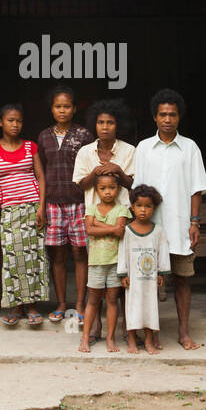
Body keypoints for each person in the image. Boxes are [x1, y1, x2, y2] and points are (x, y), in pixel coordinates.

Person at [132, 89, 206, 351]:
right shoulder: (144, 148)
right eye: (163, 114)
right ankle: (151, 334)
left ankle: (184, 333)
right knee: (147, 280)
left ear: (179, 117)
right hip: (149, 228)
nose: (168, 119)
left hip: (179, 227)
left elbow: (196, 189)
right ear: (155, 117)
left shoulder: (189, 148)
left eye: (172, 115)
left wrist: (195, 222)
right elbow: (138, 189)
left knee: (182, 279)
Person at [72, 99, 136, 342]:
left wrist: (118, 171)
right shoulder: (85, 152)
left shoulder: (129, 151)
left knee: (120, 275)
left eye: (110, 122)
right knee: (96, 275)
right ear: (94, 125)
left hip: (122, 217)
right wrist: (95, 172)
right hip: (94, 217)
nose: (105, 126)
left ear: (118, 124)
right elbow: (81, 184)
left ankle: (123, 327)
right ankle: (96, 323)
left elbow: (134, 184)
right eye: (101, 122)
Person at [0, 103, 48, 327]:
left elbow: (41, 177)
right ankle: (16, 305)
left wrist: (41, 207)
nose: (15, 124)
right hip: (9, 213)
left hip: (32, 209)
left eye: (19, 121)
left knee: (33, 259)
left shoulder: (31, 147)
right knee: (12, 260)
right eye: (10, 120)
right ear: (1, 122)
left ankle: (32, 306)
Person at [37, 85, 93, 326]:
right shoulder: (43, 136)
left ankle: (80, 303)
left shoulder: (84, 135)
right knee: (57, 256)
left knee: (81, 254)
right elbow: (40, 172)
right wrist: (41, 206)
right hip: (53, 204)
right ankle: (61, 303)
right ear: (51, 109)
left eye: (67, 106)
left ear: (74, 108)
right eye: (58, 106)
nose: (62, 110)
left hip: (79, 203)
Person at [80, 170, 130, 354]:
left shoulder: (122, 209)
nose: (108, 191)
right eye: (103, 188)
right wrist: (111, 227)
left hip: (115, 262)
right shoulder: (91, 207)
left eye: (112, 187)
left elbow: (120, 232)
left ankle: (110, 339)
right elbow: (89, 230)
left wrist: (98, 225)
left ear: (118, 189)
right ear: (96, 190)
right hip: (96, 262)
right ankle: (85, 337)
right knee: (93, 299)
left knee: (111, 300)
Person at [117, 184, 170, 356]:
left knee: (150, 307)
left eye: (148, 206)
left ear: (154, 209)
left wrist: (161, 272)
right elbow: (122, 253)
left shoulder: (158, 231)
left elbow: (162, 252)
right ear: (132, 207)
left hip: (150, 279)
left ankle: (148, 340)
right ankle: (132, 338)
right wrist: (123, 273)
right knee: (132, 307)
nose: (143, 210)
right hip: (133, 280)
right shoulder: (127, 231)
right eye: (139, 206)